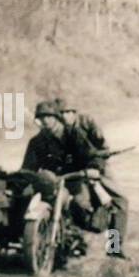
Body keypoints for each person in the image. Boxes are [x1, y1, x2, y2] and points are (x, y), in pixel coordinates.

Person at [21, 99, 130, 260]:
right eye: (41, 117)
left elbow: (92, 154)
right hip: (51, 182)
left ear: (55, 117)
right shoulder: (36, 142)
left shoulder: (73, 134)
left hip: (77, 178)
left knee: (104, 205)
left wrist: (94, 168)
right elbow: (28, 167)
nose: (44, 121)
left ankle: (114, 247)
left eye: (48, 116)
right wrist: (26, 179)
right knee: (24, 202)